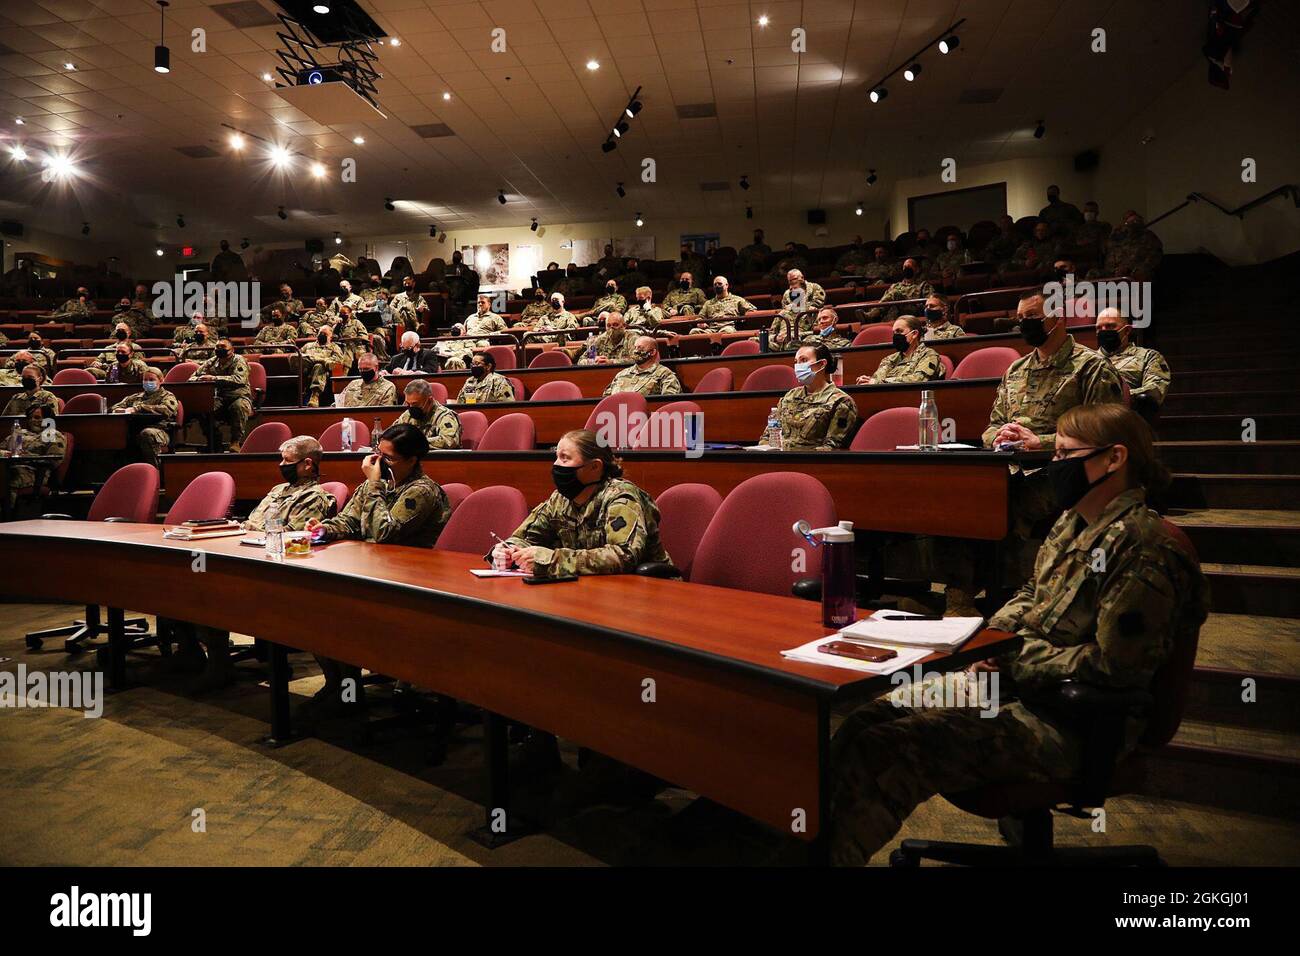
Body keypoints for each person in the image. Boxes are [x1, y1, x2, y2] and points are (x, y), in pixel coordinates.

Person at [828, 403, 1209, 866]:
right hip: (1012, 686)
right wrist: (994, 637)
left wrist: (1012, 657)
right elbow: (1033, 592)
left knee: (888, 749)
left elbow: (1115, 667)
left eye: (1066, 453)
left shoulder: (1145, 546)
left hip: (1074, 719)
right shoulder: (1074, 522)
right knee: (868, 719)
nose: (1055, 465)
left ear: (1115, 458)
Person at [920, 290, 1124, 617]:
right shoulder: (1016, 369)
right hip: (1007, 464)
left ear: (1057, 319)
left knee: (1003, 501)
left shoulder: (1091, 367)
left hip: (1063, 468)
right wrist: (999, 434)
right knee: (957, 497)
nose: (1024, 325)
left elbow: (1106, 431)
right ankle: (959, 600)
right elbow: (990, 426)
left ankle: (1014, 599)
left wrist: (1040, 442)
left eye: (1031, 318)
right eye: (1020, 320)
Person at [491, 428, 671, 578]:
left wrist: (554, 560)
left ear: (595, 467)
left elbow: (624, 555)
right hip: (591, 589)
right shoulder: (559, 499)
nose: (556, 465)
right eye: (556, 457)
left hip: (651, 590)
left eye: (565, 458)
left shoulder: (621, 497)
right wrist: (508, 551)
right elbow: (525, 537)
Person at [764, 343, 858, 450]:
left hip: (812, 463)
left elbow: (832, 447)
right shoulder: (790, 396)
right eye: (796, 362)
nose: (798, 366)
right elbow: (768, 436)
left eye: (803, 360)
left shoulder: (841, 401)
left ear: (822, 364)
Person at [1096, 307, 1171, 422]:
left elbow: (1154, 391)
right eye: (1099, 328)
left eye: (1110, 326)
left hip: (1125, 419)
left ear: (1127, 331)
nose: (1103, 331)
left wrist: (1112, 398)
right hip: (1088, 421)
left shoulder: (1148, 357)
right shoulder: (1088, 358)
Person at [246, 436, 335, 532]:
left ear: (308, 464)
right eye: (282, 459)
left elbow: (289, 534)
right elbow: (253, 521)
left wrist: (248, 527)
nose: (281, 464)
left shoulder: (314, 498)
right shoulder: (278, 489)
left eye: (288, 460)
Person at [110, 366, 179, 467]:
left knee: (147, 434)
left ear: (161, 380)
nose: (147, 382)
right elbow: (115, 407)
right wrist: (118, 410)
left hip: (160, 430)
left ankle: (156, 471)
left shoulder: (167, 396)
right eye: (145, 379)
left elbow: (166, 410)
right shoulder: (136, 397)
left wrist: (139, 408)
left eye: (151, 380)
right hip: (134, 428)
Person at [3, 401, 66, 510]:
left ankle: (7, 515)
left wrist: (25, 456)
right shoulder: (20, 432)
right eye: (30, 417)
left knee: (8, 478)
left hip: (34, 472)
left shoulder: (51, 434)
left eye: (37, 418)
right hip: (8, 466)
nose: (33, 421)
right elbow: (3, 448)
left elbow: (53, 461)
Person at [194, 339, 252, 451]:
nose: (219, 349)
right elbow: (192, 377)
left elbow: (239, 380)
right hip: (219, 397)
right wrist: (199, 379)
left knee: (239, 406)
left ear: (232, 350)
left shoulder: (239, 360)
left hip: (239, 396)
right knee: (203, 409)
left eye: (223, 347)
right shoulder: (212, 361)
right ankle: (215, 441)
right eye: (217, 347)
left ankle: (235, 442)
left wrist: (214, 379)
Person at [856, 316, 944, 385]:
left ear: (914, 334)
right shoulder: (890, 359)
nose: (895, 336)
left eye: (899, 331)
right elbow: (877, 380)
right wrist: (867, 381)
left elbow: (918, 380)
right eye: (894, 332)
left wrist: (876, 382)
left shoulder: (929, 355)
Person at [392, 378, 462, 449]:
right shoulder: (407, 415)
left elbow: (449, 441)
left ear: (430, 400)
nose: (411, 408)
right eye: (408, 404)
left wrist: (415, 442)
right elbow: (392, 434)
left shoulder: (445, 416)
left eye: (415, 404)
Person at [603, 336, 682, 396]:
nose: (636, 351)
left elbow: (668, 403)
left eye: (640, 348)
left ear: (652, 352)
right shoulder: (621, 374)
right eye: (635, 347)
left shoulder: (665, 374)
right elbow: (605, 400)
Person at [1098, 211, 1163, 281]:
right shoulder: (1117, 236)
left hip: (1135, 271)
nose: (1131, 223)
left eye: (1134, 220)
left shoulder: (1148, 236)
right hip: (1114, 271)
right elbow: (1108, 253)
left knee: (1141, 275)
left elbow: (1155, 256)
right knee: (1094, 274)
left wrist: (1129, 268)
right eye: (1128, 220)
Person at [862, 258, 933, 322]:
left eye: (909, 267)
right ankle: (876, 316)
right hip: (895, 314)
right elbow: (884, 301)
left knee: (895, 293)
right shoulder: (895, 285)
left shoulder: (923, 285)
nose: (906, 269)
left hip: (914, 311)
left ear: (917, 269)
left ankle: (872, 316)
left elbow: (930, 302)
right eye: (905, 267)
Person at [769, 269, 825, 349]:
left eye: (796, 289)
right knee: (754, 341)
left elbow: (817, 332)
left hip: (799, 340)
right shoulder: (783, 312)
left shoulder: (812, 311)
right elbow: (771, 332)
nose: (792, 292)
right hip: (780, 342)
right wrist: (776, 338)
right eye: (791, 289)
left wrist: (796, 335)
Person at [301, 325, 349, 407]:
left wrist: (316, 360)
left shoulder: (335, 348)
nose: (322, 335)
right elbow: (298, 356)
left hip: (322, 373)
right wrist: (323, 360)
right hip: (305, 370)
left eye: (325, 334)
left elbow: (336, 363)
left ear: (330, 337)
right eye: (320, 333)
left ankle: (314, 396)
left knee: (319, 366)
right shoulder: (308, 345)